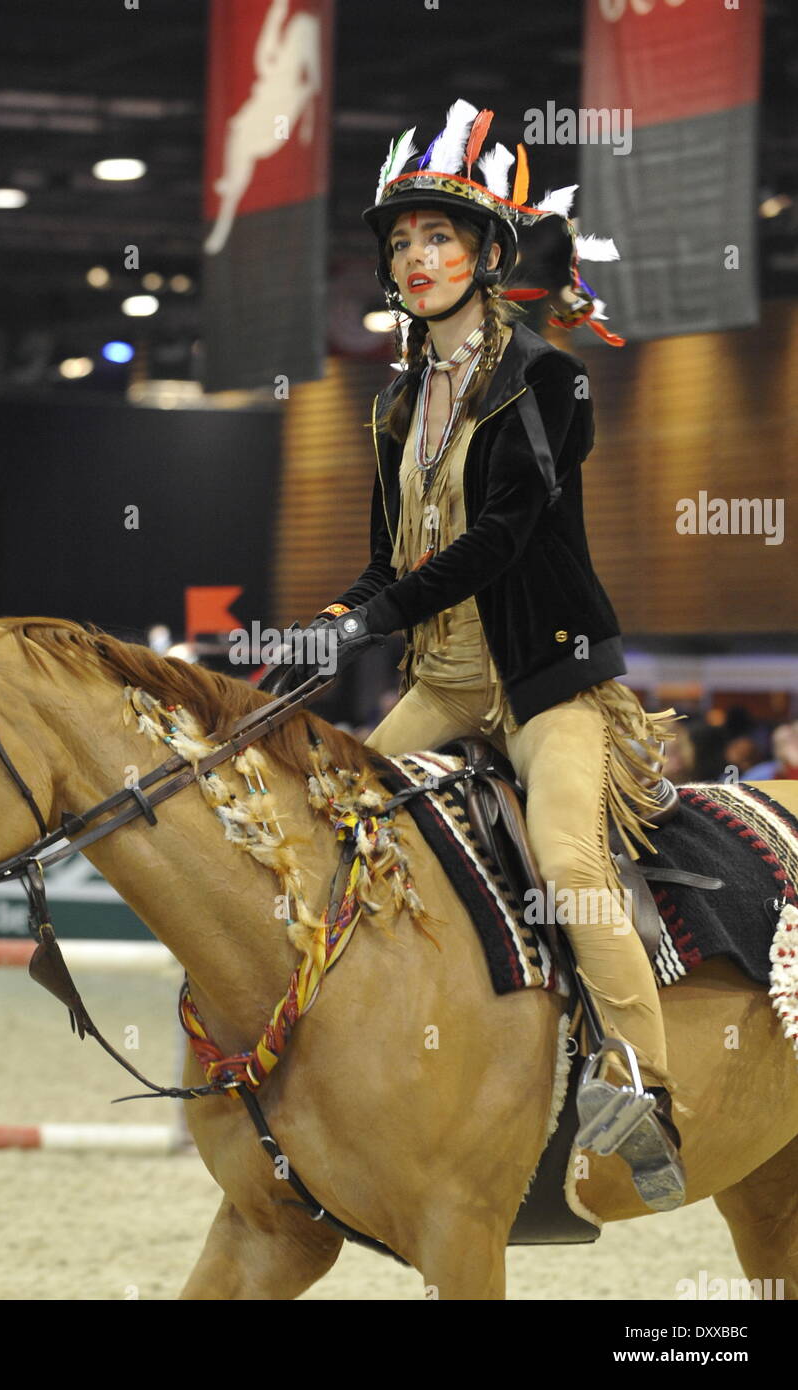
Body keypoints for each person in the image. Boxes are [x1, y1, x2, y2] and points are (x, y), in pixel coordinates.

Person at [261, 99, 685, 1209]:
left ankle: (644, 1089)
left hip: (549, 682)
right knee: (331, 821)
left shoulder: (548, 379)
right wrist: (311, 638)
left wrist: (370, 618)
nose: (413, 257)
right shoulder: (396, 401)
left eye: (436, 239)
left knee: (568, 869)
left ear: (487, 256)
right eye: (399, 242)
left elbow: (502, 539)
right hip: (443, 686)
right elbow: (380, 563)